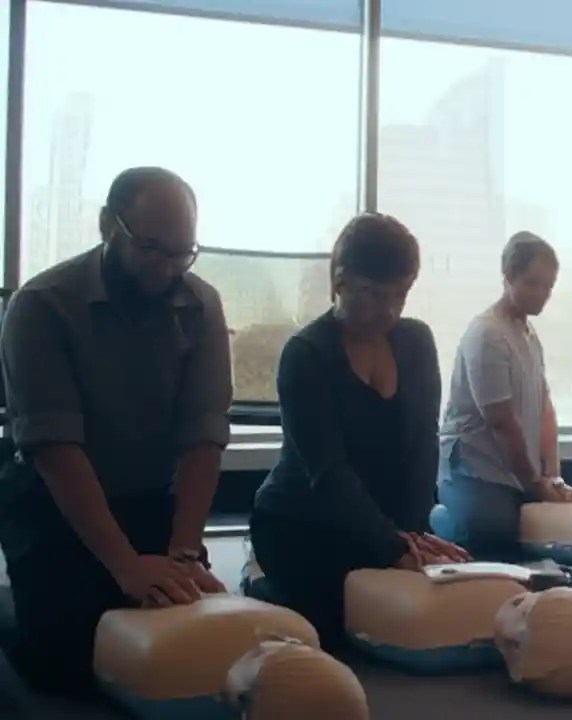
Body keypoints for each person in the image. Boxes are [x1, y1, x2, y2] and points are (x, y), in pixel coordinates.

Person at [0, 167, 229, 699]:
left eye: (182, 253)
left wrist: (184, 554)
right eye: (152, 249)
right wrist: (124, 564)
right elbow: (56, 449)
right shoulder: (40, 306)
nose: (168, 268)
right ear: (108, 225)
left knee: (187, 643)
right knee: (71, 665)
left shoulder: (201, 305)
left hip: (151, 498)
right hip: (52, 505)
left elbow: (203, 436)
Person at [250, 213, 469, 650]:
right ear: (340, 280)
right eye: (373, 294)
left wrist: (413, 535)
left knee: (439, 604)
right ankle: (261, 584)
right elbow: (328, 473)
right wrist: (391, 548)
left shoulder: (416, 341)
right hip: (301, 521)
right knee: (334, 632)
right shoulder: (305, 354)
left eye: (400, 296)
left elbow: (424, 442)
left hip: (385, 520)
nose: (388, 311)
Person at [433, 232, 572, 560]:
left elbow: (544, 407)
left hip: (517, 471)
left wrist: (553, 476)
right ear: (508, 277)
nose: (541, 294)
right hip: (474, 470)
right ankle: (439, 519)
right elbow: (502, 423)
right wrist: (536, 486)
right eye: (532, 283)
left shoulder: (527, 333)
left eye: (548, 286)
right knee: (497, 534)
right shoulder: (487, 334)